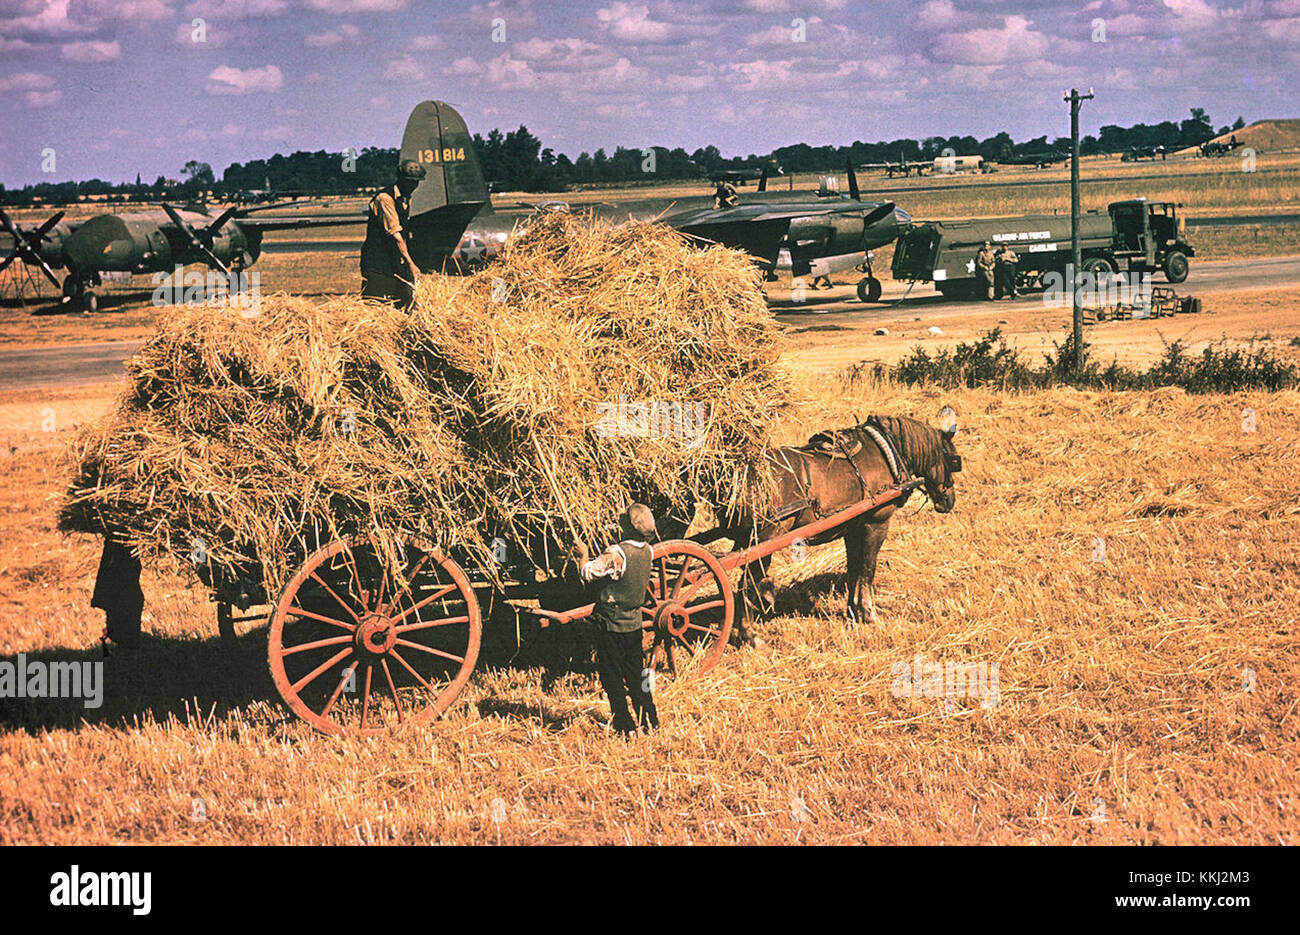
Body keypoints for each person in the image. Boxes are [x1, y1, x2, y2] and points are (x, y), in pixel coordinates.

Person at [578, 504, 658, 736]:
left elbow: (588, 572)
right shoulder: (648, 552)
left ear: (629, 527)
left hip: (611, 626)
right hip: (633, 626)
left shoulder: (616, 553)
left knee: (611, 676)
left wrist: (582, 555)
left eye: (624, 520)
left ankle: (625, 726)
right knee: (637, 675)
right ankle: (650, 721)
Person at [360, 159, 426, 309]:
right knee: (377, 307)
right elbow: (396, 236)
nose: (414, 186)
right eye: (410, 182)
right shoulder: (385, 199)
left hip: (393, 262)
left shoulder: (404, 198)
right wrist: (411, 264)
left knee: (405, 304)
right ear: (401, 179)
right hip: (378, 263)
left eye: (416, 182)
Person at [92, 536, 144, 649]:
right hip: (119, 545)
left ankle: (127, 638)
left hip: (122, 545)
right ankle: (125, 638)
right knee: (121, 590)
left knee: (124, 591)